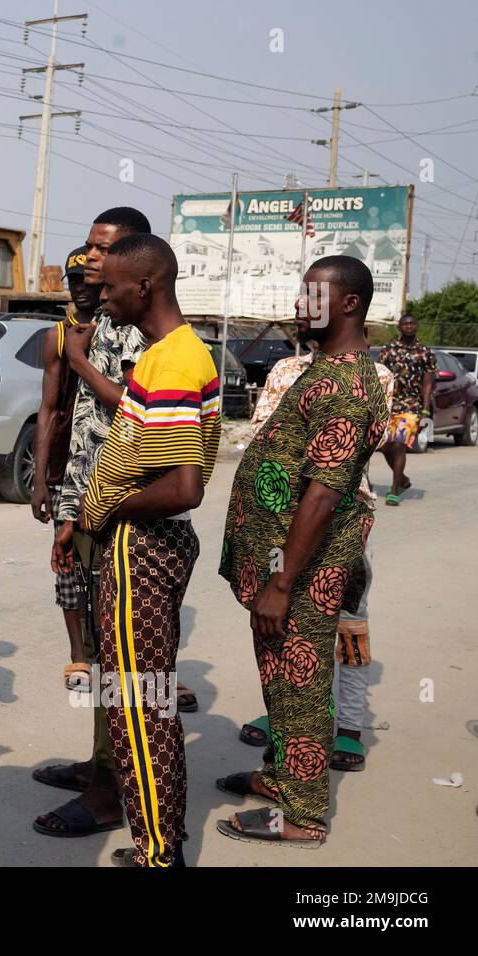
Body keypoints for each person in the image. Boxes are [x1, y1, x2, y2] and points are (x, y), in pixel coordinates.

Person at [216, 255, 388, 848]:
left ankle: (304, 815)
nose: (298, 305)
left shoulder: (349, 384)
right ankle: (283, 778)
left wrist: (283, 581)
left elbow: (322, 493)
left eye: (312, 295)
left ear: (349, 305)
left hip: (305, 568)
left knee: (302, 678)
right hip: (280, 560)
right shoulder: (324, 369)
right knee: (278, 676)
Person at [79, 233, 221, 867]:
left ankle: (159, 854)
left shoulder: (175, 361)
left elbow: (182, 485)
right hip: (135, 543)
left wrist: (107, 509)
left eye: (110, 286)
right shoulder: (168, 354)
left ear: (146, 286)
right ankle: (159, 845)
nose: (101, 296)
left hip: (141, 546)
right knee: (139, 702)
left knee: (140, 709)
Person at [31, 207, 150, 841]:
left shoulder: (146, 330)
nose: (92, 257)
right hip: (91, 506)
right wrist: (66, 506)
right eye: (89, 246)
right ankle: (102, 767)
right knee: (103, 652)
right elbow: (84, 430)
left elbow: (136, 415)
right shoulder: (100, 320)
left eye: (105, 249)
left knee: (120, 657)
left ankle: (112, 791)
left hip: (131, 513)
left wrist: (78, 361)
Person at [236, 350, 394, 772]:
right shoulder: (286, 370)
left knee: (349, 621)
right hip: (281, 519)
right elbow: (264, 435)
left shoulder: (376, 375)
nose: (307, 306)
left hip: (340, 517)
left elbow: (357, 447)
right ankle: (285, 719)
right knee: (280, 624)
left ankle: (349, 726)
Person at [30, 246, 97, 692]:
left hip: (109, 465)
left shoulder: (119, 331)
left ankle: (116, 650)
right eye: (75, 285)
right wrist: (38, 478)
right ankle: (79, 654)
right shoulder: (57, 336)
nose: (82, 292)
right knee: (68, 564)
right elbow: (49, 408)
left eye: (88, 284)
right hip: (64, 472)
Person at [377, 313, 434, 505]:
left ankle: (394, 491)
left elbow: (427, 385)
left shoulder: (425, 352)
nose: (409, 327)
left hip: (411, 404)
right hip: (389, 402)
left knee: (399, 444)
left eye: (412, 324)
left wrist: (425, 411)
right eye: (405, 324)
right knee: (385, 446)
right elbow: (381, 377)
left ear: (416, 327)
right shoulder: (388, 350)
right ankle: (402, 479)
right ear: (399, 327)